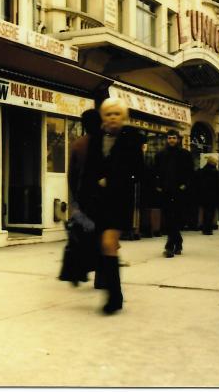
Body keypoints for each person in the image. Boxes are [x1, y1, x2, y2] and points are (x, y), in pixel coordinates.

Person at [77, 98, 144, 314]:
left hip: (119, 201)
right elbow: (88, 170)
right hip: (97, 202)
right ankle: (115, 295)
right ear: (103, 117)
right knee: (107, 246)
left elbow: (137, 170)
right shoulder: (96, 139)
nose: (113, 118)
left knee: (108, 243)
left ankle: (113, 297)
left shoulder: (131, 137)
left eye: (117, 114)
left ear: (123, 117)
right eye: (108, 114)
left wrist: (111, 180)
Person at [58, 108, 101, 285]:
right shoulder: (104, 143)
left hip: (83, 199)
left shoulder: (78, 144)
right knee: (99, 238)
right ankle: (101, 276)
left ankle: (76, 271)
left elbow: (72, 176)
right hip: (100, 199)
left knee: (81, 236)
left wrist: (74, 200)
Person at [154, 130, 193, 257]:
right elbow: (156, 172)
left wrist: (184, 186)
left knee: (175, 218)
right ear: (167, 139)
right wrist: (158, 186)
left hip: (179, 191)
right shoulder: (160, 155)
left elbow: (190, 172)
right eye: (169, 138)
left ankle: (169, 246)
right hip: (165, 191)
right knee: (168, 218)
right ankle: (178, 242)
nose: (171, 140)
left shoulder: (185, 154)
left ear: (178, 139)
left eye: (174, 138)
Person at [196, 153, 219, 235]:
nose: (216, 163)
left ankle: (204, 228)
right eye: (215, 162)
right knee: (211, 212)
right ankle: (208, 229)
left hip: (203, 194)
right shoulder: (215, 172)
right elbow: (218, 184)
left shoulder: (202, 171)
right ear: (212, 162)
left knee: (205, 212)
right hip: (212, 195)